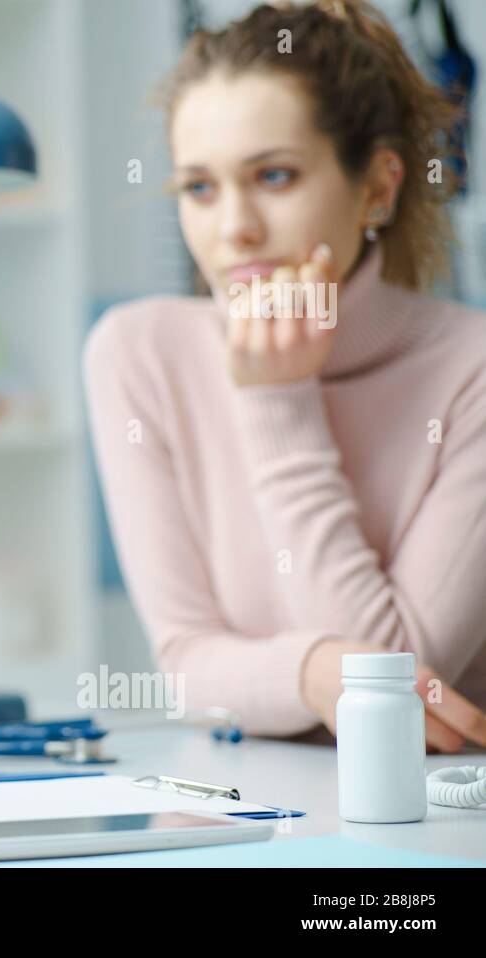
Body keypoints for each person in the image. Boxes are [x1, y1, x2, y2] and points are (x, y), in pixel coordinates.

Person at [84, 0, 486, 750]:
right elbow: (185, 663)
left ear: (378, 188)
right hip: (245, 808)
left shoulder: (473, 372)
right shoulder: (135, 354)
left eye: (273, 175)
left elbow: (393, 694)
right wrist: (310, 673)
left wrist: (279, 401)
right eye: (199, 188)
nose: (233, 226)